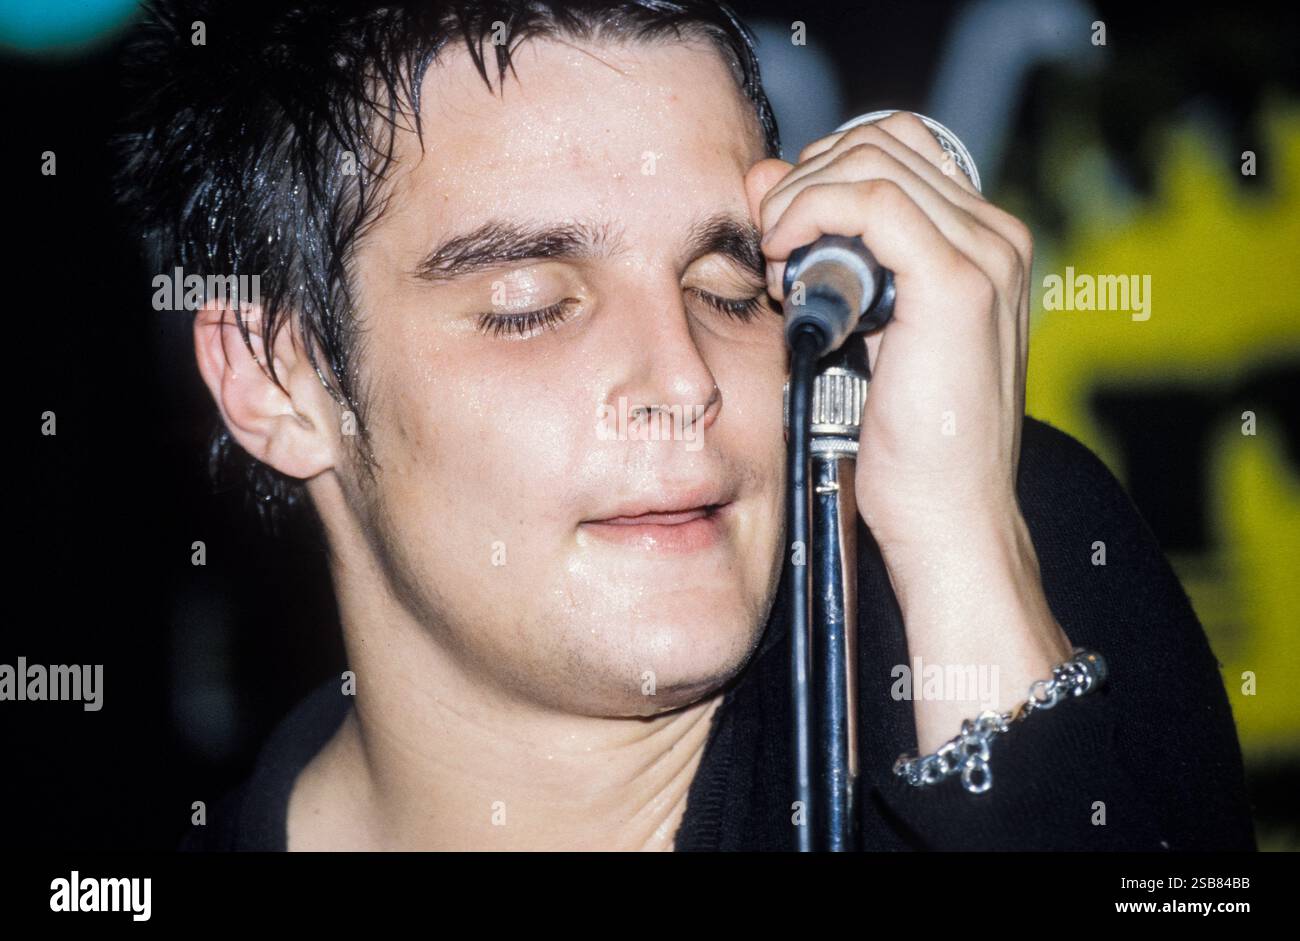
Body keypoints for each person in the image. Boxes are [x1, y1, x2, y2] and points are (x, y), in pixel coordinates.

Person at [114, 0, 1257, 851]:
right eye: (530, 307)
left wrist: (969, 554)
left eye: (728, 289)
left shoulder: (980, 561)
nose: (684, 375)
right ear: (277, 375)